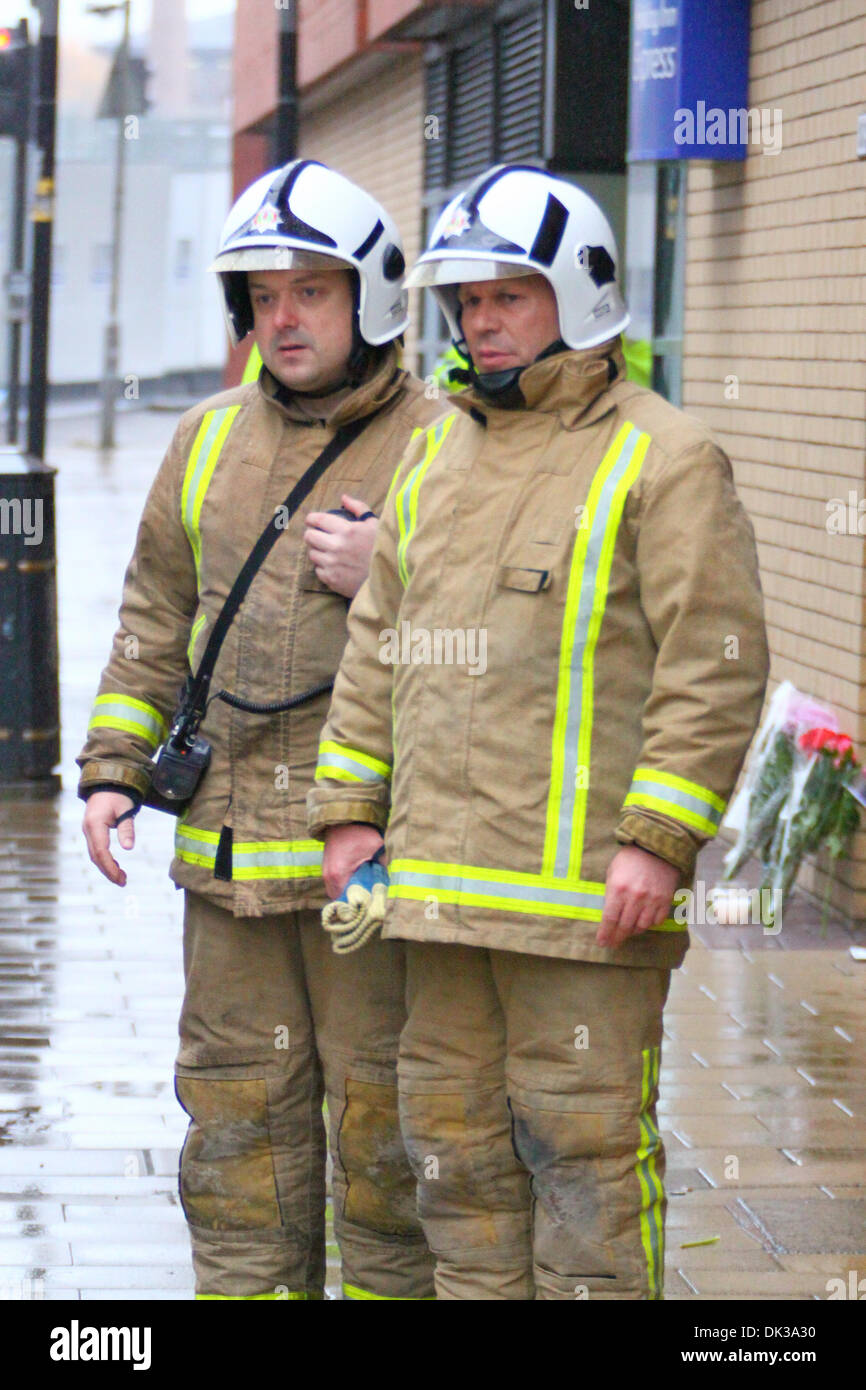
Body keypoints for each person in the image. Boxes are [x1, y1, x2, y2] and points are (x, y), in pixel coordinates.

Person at [308, 164, 770, 1300]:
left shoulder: (662, 457)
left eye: (508, 296)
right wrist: (348, 815)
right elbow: (378, 644)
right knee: (454, 1168)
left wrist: (657, 838)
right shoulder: (439, 454)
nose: (482, 322)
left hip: (580, 916)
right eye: (467, 301)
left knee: (587, 1173)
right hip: (440, 906)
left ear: (579, 293)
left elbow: (714, 666)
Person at [77, 159, 443, 1301]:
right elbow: (150, 623)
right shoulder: (200, 442)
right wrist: (110, 773)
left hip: (372, 873)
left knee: (386, 1138)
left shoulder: (443, 444)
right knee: (236, 1136)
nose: (280, 320)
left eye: (311, 293)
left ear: (369, 298)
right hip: (228, 869)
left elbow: (507, 635)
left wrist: (398, 566)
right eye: (263, 296)